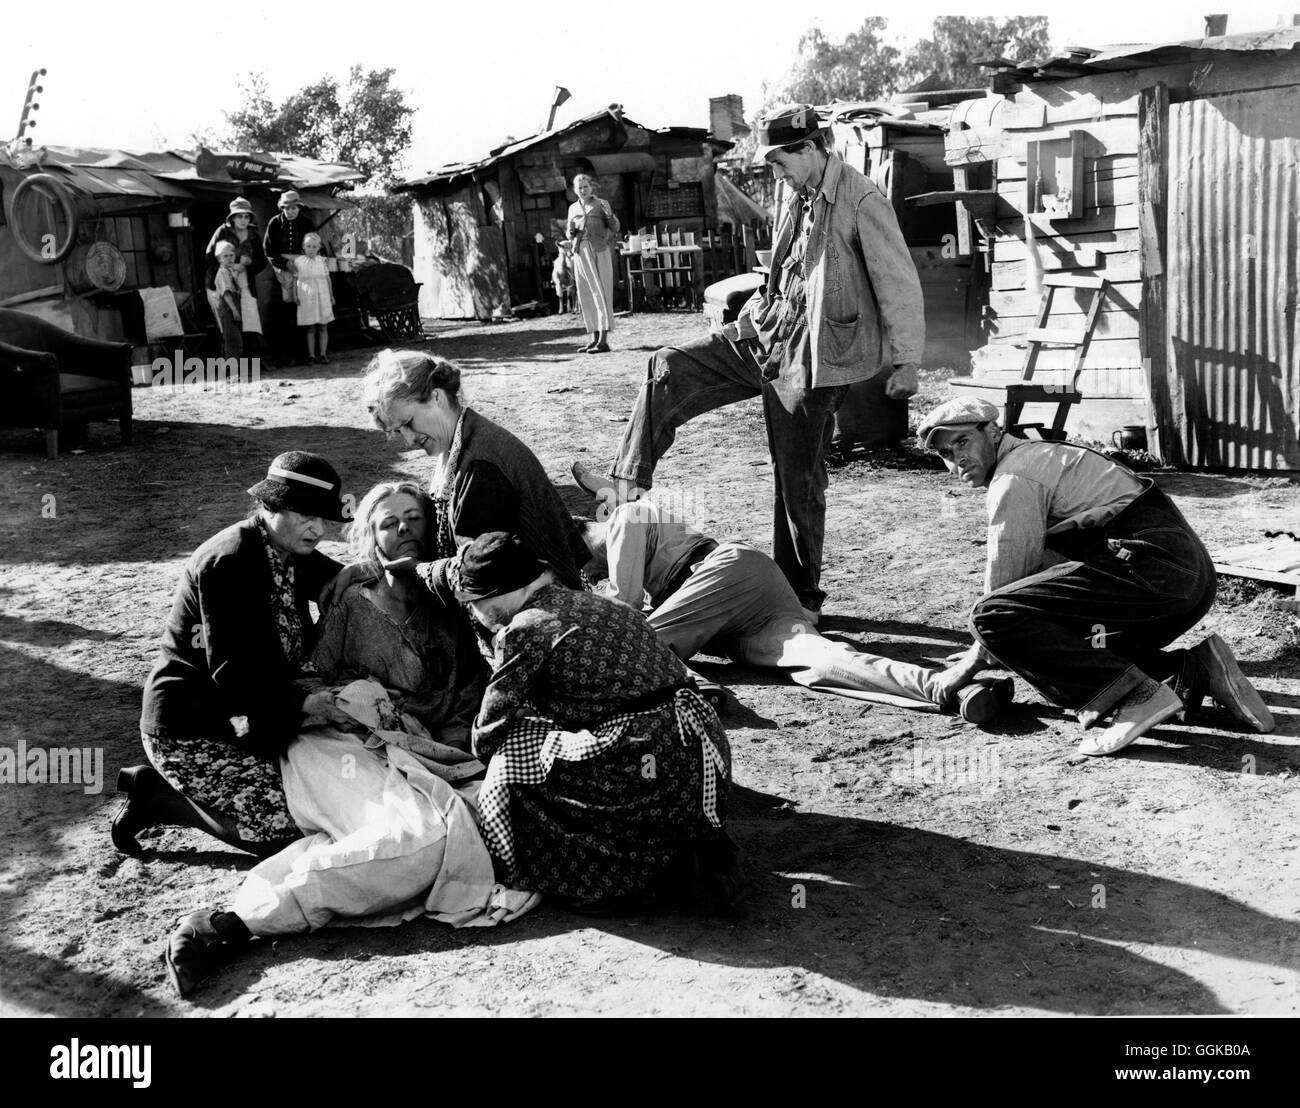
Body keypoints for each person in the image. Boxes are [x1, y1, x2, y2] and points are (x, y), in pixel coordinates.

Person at [163, 483, 537, 999]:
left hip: (421, 750)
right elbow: (308, 679)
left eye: (414, 518)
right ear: (370, 536)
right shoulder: (351, 599)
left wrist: (440, 746)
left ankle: (225, 919)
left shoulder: (455, 601)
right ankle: (235, 924)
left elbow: (474, 693)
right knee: (422, 842)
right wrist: (361, 706)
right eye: (388, 523)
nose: (404, 530)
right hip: (335, 740)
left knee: (427, 831)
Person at [571, 104, 925, 620]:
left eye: (780, 160)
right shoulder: (792, 190)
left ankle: (799, 597)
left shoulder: (863, 200)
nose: (774, 173)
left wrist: (908, 361)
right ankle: (627, 482)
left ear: (808, 149)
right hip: (767, 334)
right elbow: (782, 268)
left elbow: (899, 284)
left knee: (796, 477)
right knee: (667, 365)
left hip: (819, 356)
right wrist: (743, 322)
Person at [916, 397, 1275, 756]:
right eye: (945, 453)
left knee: (991, 617)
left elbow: (1003, 589)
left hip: (1152, 573)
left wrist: (976, 656)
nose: (957, 458)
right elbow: (1045, 579)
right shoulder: (1038, 454)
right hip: (1185, 580)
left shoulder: (1015, 475)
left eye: (962, 441)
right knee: (1057, 636)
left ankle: (1139, 697)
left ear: (993, 431)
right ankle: (1192, 669)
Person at [445, 531, 740, 913]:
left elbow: (487, 736)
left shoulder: (526, 627)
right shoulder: (603, 604)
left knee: (509, 764)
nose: (474, 613)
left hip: (642, 757)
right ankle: (685, 849)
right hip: (701, 750)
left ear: (496, 595)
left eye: (474, 603)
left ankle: (625, 876)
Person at [113, 451, 352, 858]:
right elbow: (232, 672)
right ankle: (156, 797)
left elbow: (337, 579)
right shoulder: (228, 562)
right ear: (271, 505)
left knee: (319, 804)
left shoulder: (290, 546)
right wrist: (311, 702)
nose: (318, 528)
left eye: (324, 518)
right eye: (306, 515)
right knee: (285, 837)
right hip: (189, 728)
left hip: (250, 717)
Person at [583, 499, 1011, 723]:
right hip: (745, 621)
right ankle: (946, 688)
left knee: (632, 648)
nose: (588, 576)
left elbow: (624, 602)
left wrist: (583, 608)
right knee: (822, 664)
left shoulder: (626, 515)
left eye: (583, 568)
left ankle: (696, 690)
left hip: (727, 572)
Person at [358, 349, 590, 591]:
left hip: (536, 608)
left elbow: (481, 574)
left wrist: (418, 570)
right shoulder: (459, 442)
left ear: (436, 397)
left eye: (408, 423)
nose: (408, 440)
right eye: (397, 432)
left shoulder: (481, 464)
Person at [203, 197, 268, 361]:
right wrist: (228, 267)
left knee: (250, 320)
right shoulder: (222, 231)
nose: (243, 220)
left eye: (246, 216)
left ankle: (253, 361)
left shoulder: (253, 235)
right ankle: (231, 363)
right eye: (240, 216)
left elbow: (262, 261)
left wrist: (247, 264)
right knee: (229, 322)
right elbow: (209, 256)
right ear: (232, 217)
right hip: (223, 282)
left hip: (245, 283)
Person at [565, 173, 620, 353]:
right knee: (586, 295)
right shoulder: (572, 208)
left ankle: (603, 341)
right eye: (579, 188)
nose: (582, 190)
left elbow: (615, 227)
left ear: (592, 187)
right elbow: (568, 232)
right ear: (574, 190)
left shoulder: (601, 204)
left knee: (601, 293)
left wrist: (610, 215)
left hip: (598, 252)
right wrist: (571, 233)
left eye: (585, 187)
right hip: (580, 253)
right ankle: (594, 338)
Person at [264, 190, 318, 366]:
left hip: (303, 269)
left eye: (294, 208)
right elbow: (269, 251)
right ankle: (283, 356)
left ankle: (303, 354)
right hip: (282, 270)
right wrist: (284, 264)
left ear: (299, 208)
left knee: (302, 308)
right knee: (283, 312)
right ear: (282, 208)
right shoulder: (274, 223)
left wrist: (302, 262)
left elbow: (315, 246)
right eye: (288, 208)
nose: (291, 211)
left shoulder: (307, 223)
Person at [294, 232, 334, 364]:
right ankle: (311, 355)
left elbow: (327, 279)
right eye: (308, 246)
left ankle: (323, 354)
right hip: (307, 295)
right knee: (310, 326)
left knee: (323, 325)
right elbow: (295, 279)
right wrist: (295, 295)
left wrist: (331, 295)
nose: (311, 249)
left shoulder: (322, 261)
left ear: (319, 248)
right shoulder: (298, 262)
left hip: (322, 294)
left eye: (314, 247)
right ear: (303, 247)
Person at [210, 241, 247, 358]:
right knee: (232, 338)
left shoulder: (230, 271)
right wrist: (234, 310)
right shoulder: (222, 273)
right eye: (225, 256)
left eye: (231, 255)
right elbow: (227, 294)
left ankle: (230, 367)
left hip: (234, 305)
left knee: (235, 337)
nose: (229, 258)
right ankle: (232, 369)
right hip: (228, 307)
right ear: (219, 258)